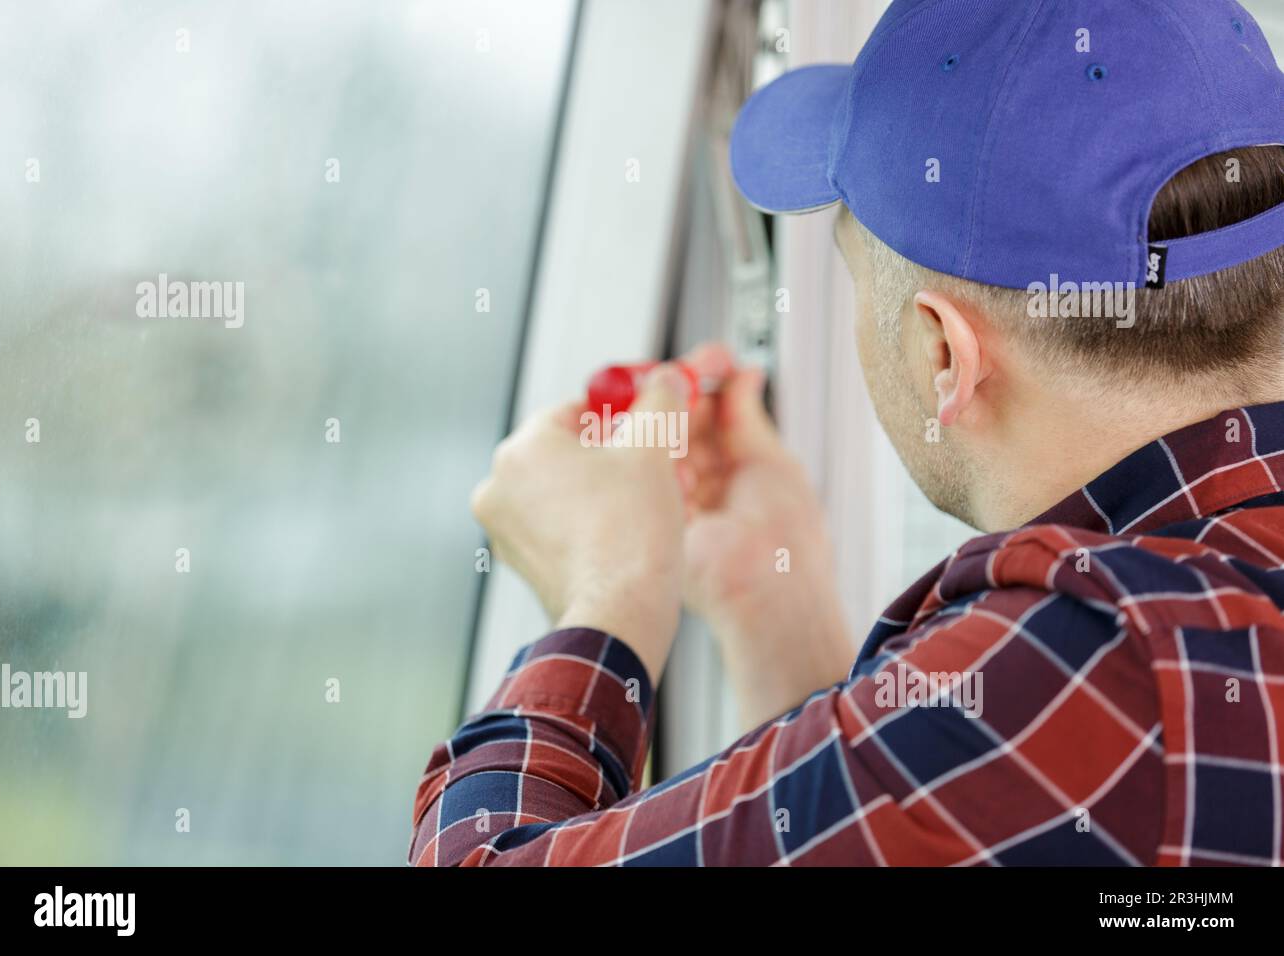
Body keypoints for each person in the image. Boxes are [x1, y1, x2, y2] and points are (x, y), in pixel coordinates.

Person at [411, 0, 1284, 865]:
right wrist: (768, 596)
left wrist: (607, 591)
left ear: (946, 351)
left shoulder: (1091, 668)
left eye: (854, 279)